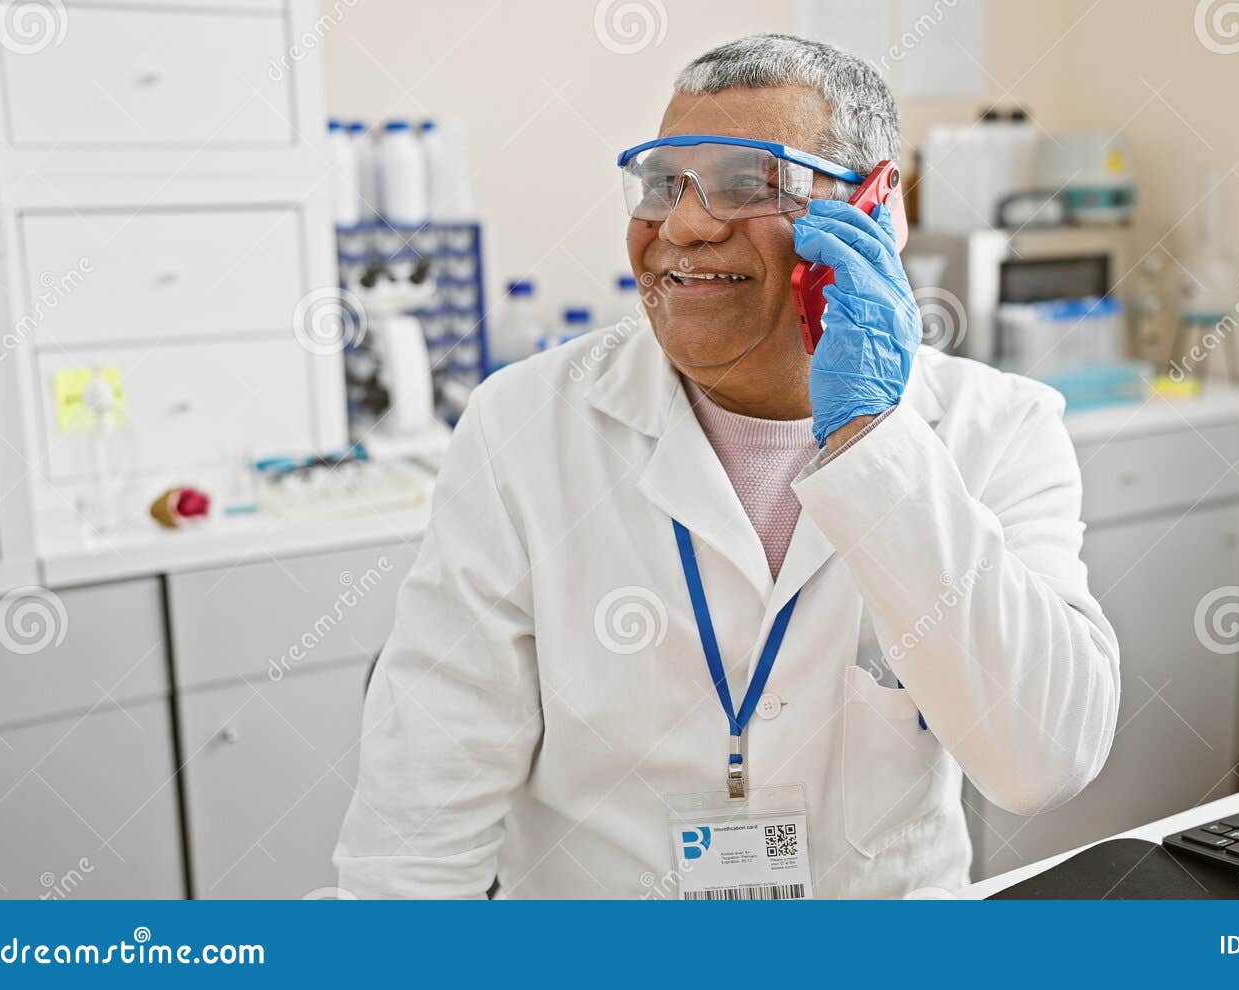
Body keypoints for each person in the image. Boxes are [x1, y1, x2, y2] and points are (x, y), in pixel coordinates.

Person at [335, 33, 1119, 899]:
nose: (683, 225)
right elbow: (415, 835)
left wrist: (874, 438)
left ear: (876, 207)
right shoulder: (524, 425)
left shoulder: (997, 428)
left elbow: (1044, 760)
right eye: (662, 183)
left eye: (750, 182)